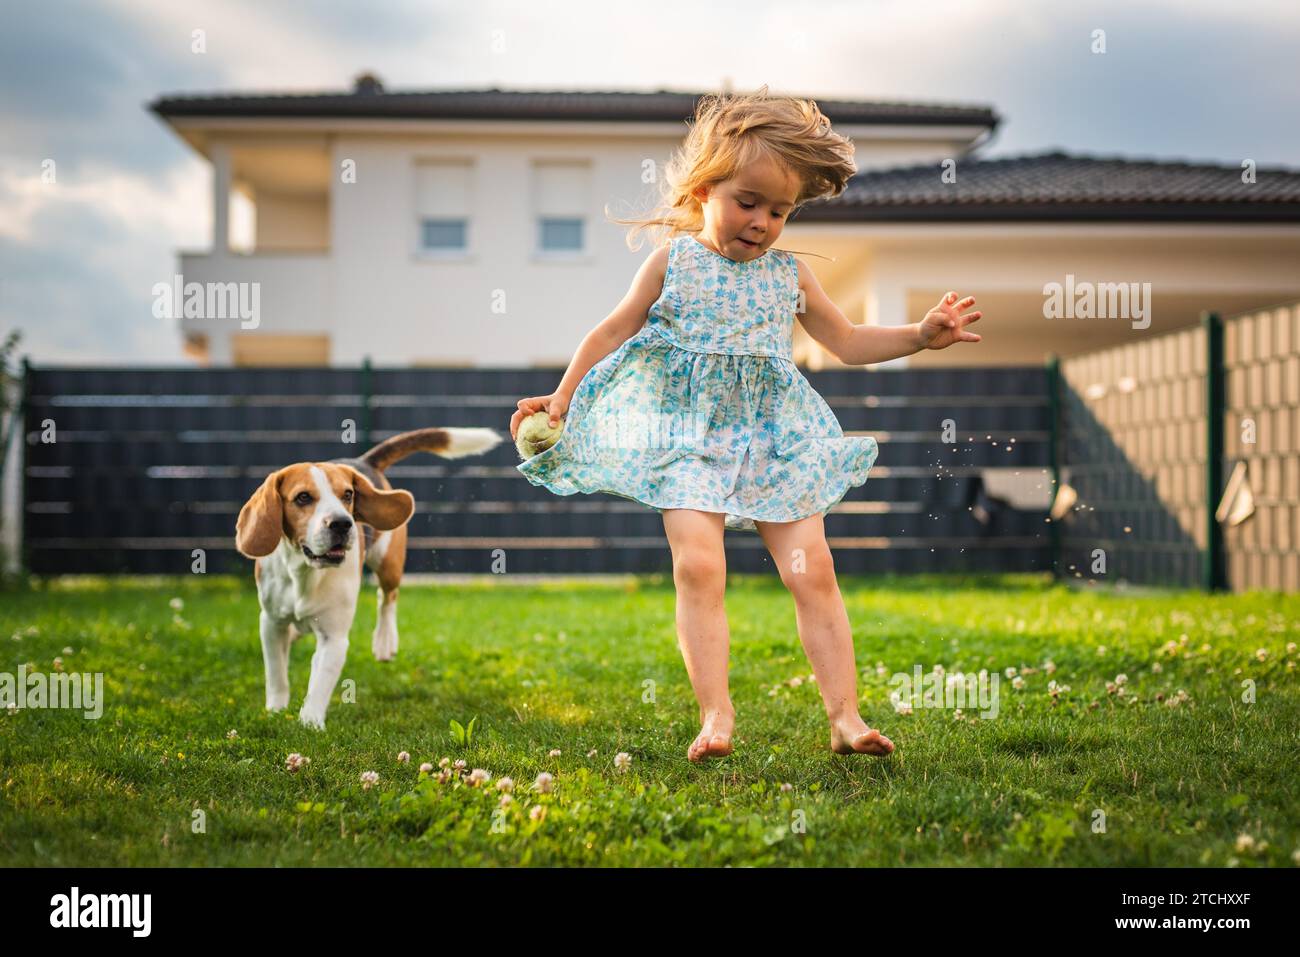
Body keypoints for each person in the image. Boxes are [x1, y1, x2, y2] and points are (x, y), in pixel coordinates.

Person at [511, 87, 982, 762]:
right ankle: (716, 715)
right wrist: (562, 397)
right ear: (705, 189)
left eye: (779, 210)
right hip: (688, 441)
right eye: (747, 202)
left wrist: (919, 335)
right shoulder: (673, 261)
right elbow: (612, 330)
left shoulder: (790, 276)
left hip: (774, 440)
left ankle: (846, 718)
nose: (761, 222)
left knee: (812, 570)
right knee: (699, 565)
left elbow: (848, 341)